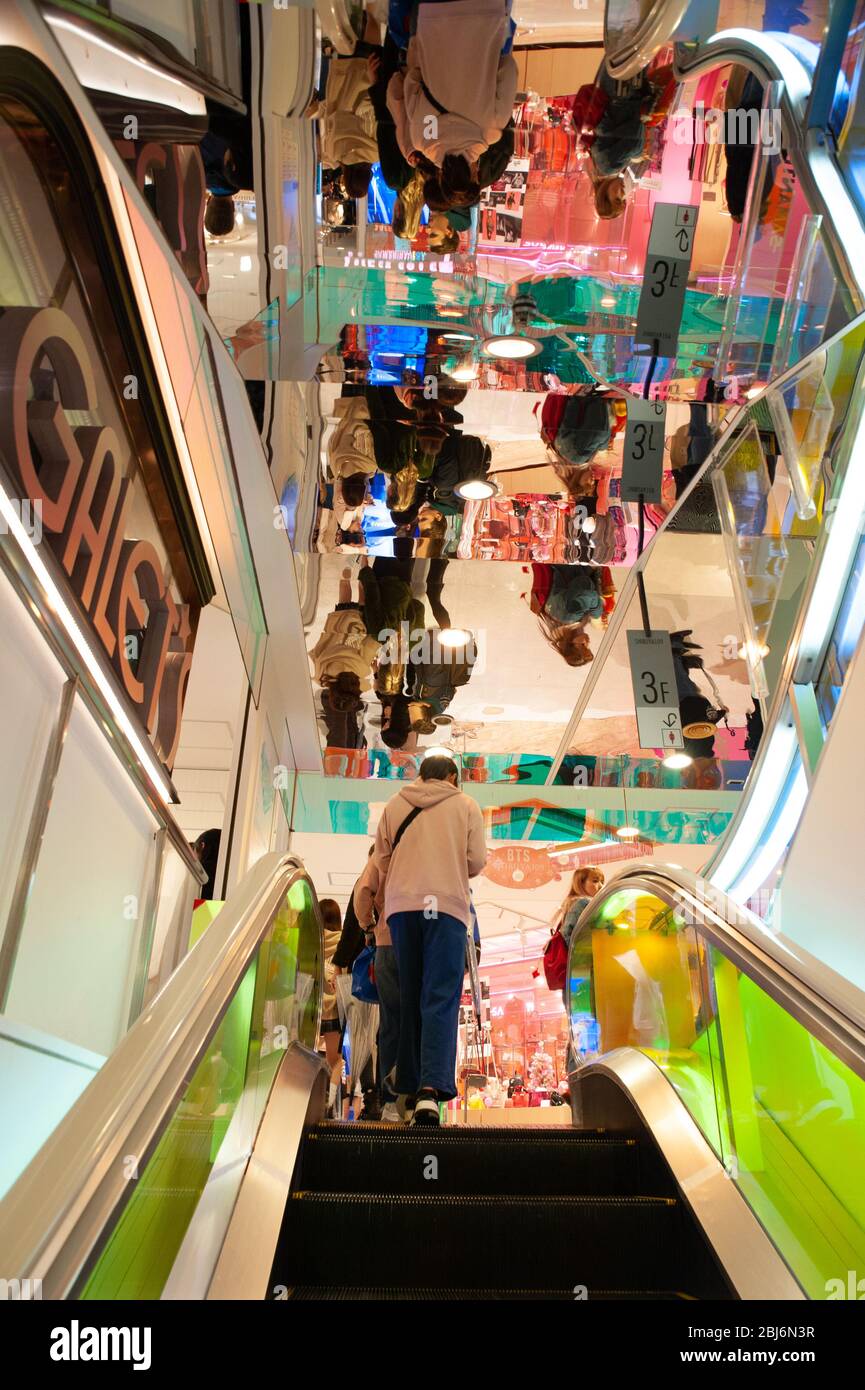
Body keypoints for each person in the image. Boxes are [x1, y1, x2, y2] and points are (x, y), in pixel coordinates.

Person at [372, 754, 487, 1125]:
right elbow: (475, 862)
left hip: (403, 907)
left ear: (422, 775)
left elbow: (382, 859)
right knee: (439, 995)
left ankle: (406, 1084)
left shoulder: (394, 803)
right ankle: (429, 1092)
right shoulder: (466, 805)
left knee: (409, 994)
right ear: (452, 777)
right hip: (447, 907)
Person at [386, 0, 518, 197]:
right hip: (432, 20)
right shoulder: (424, 137)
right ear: (440, 177)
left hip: (485, 16)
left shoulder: (490, 129)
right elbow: (412, 80)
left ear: (474, 174)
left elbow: (507, 68)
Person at [317, 898, 346, 1116]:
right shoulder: (343, 943)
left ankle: (307, 1097)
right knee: (335, 1061)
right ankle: (328, 1100)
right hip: (333, 1010)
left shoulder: (312, 939)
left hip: (311, 1007)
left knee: (305, 1055)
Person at [193, 828, 221, 899]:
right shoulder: (224, 871)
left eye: (194, 850)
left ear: (202, 845)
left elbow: (201, 909)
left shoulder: (202, 871)